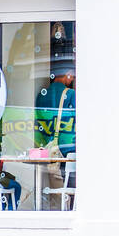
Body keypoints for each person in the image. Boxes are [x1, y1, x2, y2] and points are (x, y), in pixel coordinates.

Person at [35, 59, 77, 198]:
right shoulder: (71, 94)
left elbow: (39, 123)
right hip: (67, 149)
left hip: (48, 149)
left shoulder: (41, 95)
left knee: (54, 191)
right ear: (69, 74)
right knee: (71, 191)